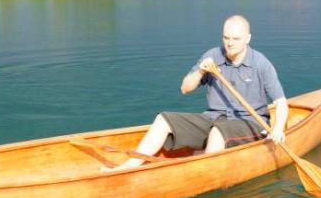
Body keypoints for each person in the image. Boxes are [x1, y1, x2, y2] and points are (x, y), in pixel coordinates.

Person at [104, 14, 288, 171]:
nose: (229, 43)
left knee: (218, 133)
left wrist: (278, 128)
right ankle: (130, 166)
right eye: (226, 38)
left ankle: (202, 176)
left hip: (250, 122)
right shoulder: (212, 56)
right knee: (163, 120)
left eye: (235, 39)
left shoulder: (261, 64)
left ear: (248, 38)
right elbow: (185, 88)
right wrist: (201, 71)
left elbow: (281, 103)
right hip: (214, 118)